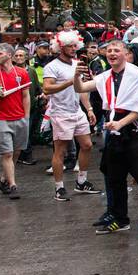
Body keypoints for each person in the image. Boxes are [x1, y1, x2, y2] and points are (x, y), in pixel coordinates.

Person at [73, 39, 138, 237]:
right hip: (115, 134)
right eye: (108, 50)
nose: (111, 53)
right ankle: (120, 219)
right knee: (115, 179)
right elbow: (80, 88)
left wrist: (120, 123)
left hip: (133, 134)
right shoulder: (106, 77)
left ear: (125, 53)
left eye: (116, 50)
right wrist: (76, 76)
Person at [42, 32, 100, 202]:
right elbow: (47, 89)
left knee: (87, 145)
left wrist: (89, 108)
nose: (74, 49)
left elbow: (81, 89)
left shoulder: (77, 64)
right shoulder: (52, 66)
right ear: (60, 47)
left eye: (75, 45)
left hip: (77, 111)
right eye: (69, 46)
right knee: (61, 150)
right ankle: (59, 188)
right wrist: (71, 80)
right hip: (60, 112)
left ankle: (81, 182)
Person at [0, 44, 31, 199]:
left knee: (16, 152)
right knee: (7, 154)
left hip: (20, 118)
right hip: (1, 119)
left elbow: (26, 95)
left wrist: (26, 116)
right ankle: (13, 185)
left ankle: (3, 179)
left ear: (9, 55)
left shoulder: (21, 72)